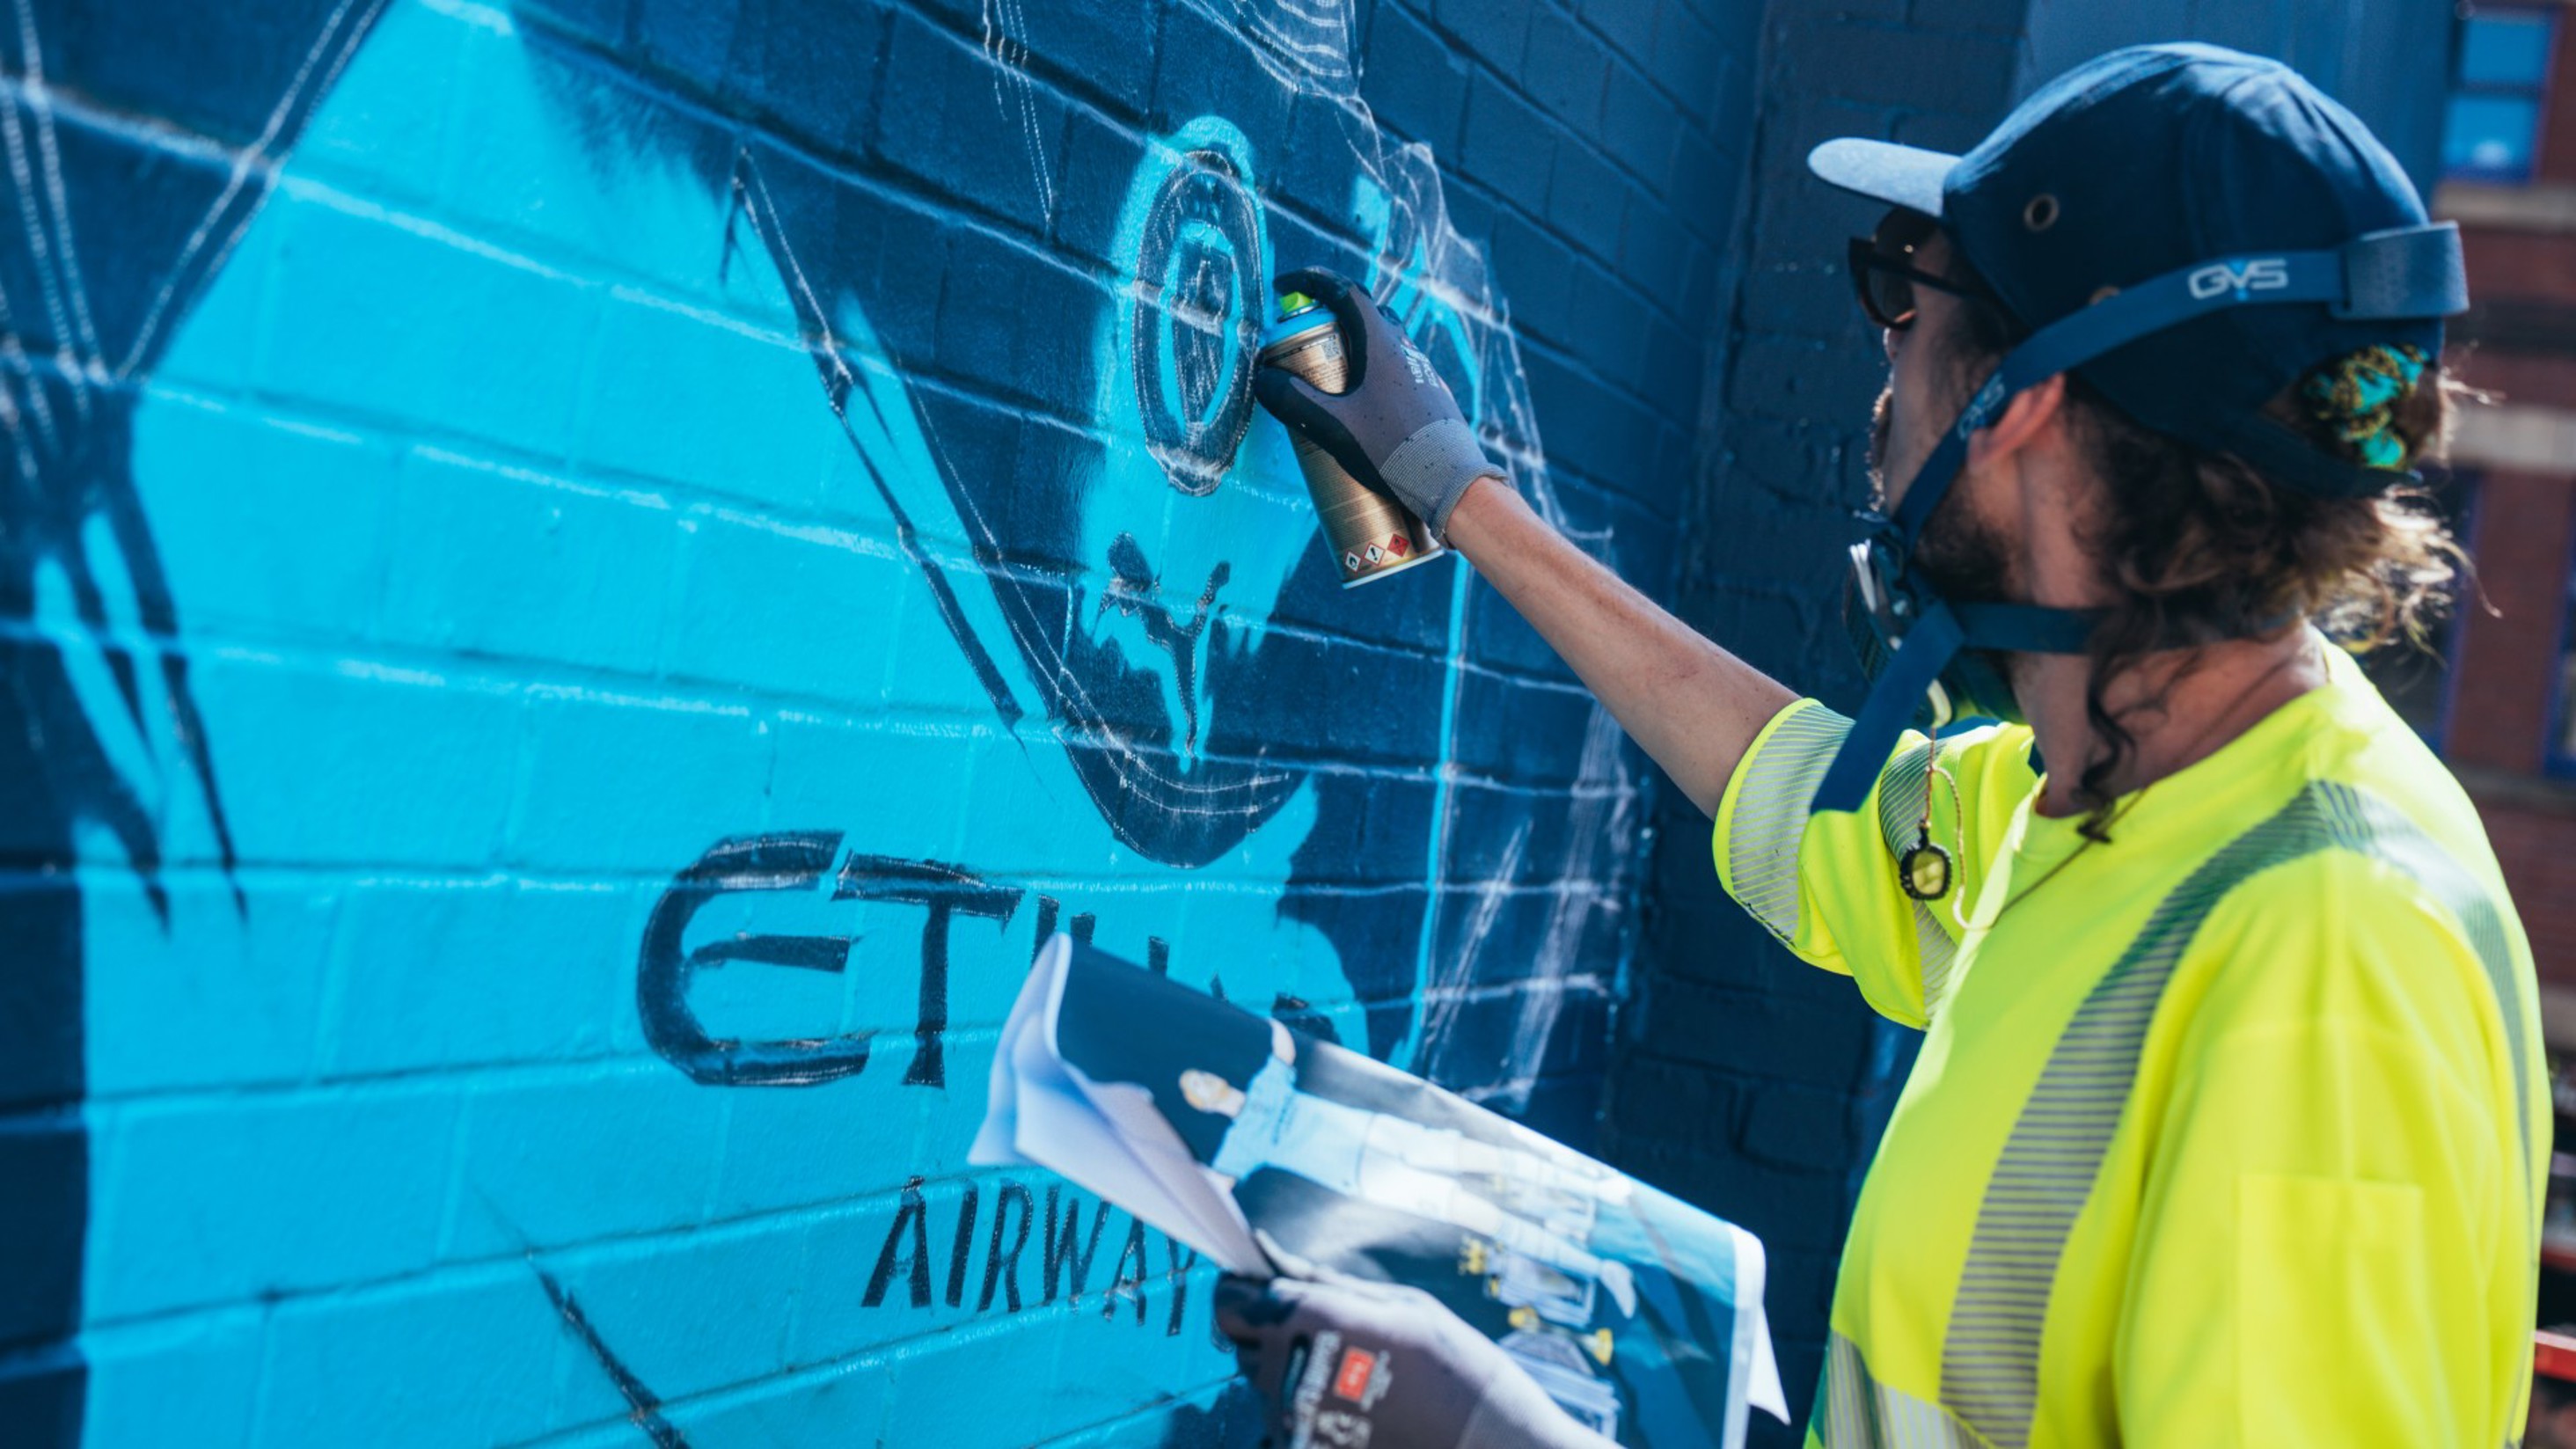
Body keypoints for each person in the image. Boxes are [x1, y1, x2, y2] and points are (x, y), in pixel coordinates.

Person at [1218, 40, 2545, 1449]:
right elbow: (1806, 802)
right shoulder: (2125, 785)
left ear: (2020, 398)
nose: (1886, 356)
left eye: (1906, 300)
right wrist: (1457, 490)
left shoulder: (2327, 962)